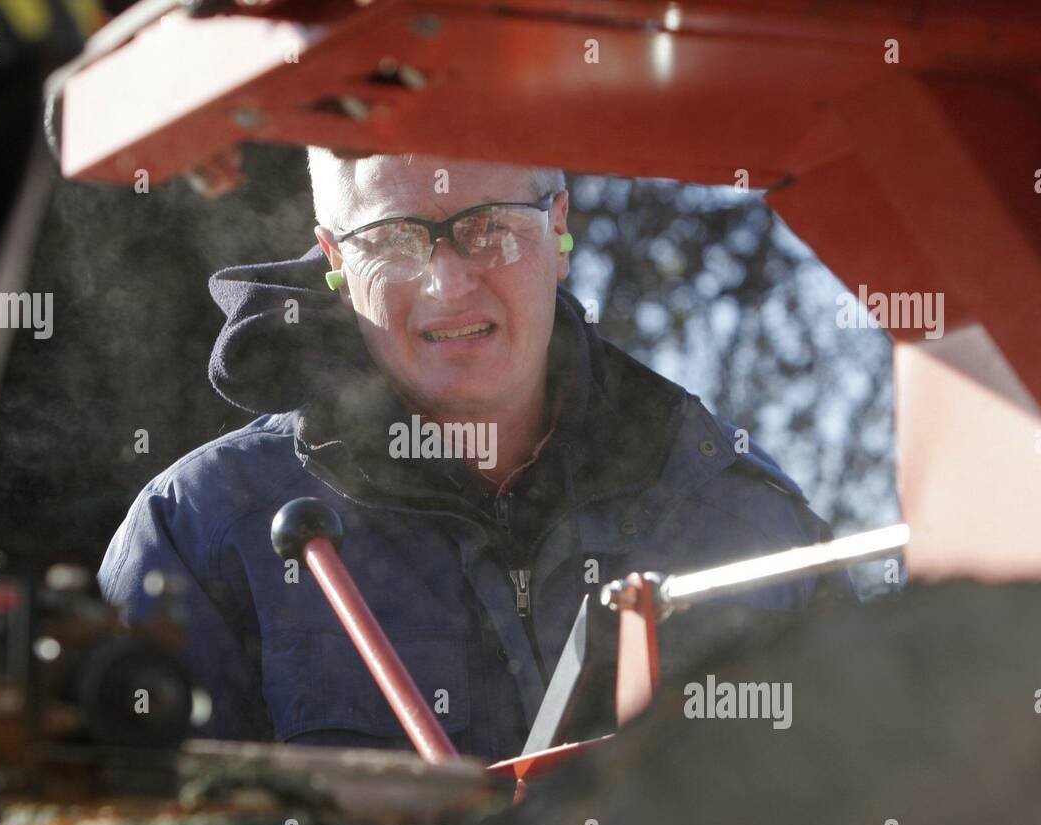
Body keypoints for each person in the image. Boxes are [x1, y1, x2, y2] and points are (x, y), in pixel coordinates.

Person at [99, 150, 852, 760]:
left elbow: (881, 810)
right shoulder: (197, 536)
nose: (448, 282)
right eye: (393, 238)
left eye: (489, 226)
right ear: (333, 258)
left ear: (559, 230)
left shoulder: (743, 518)